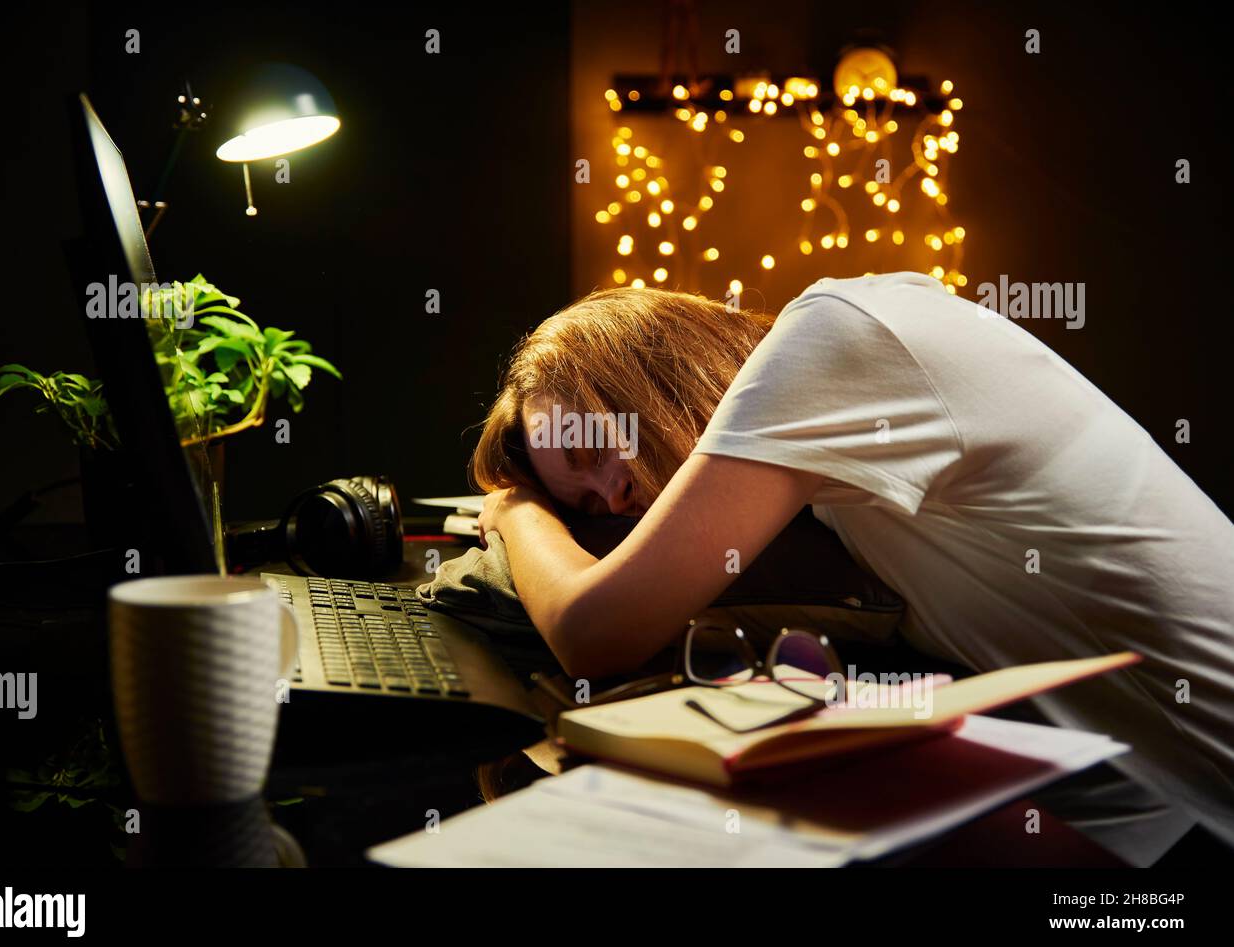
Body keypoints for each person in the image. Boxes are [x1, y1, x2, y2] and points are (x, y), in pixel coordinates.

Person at [471, 271, 1234, 864]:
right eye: (594, 503)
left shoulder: (835, 335)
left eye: (591, 449)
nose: (616, 495)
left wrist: (516, 511)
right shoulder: (837, 463)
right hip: (1163, 807)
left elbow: (594, 631)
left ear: (637, 373)